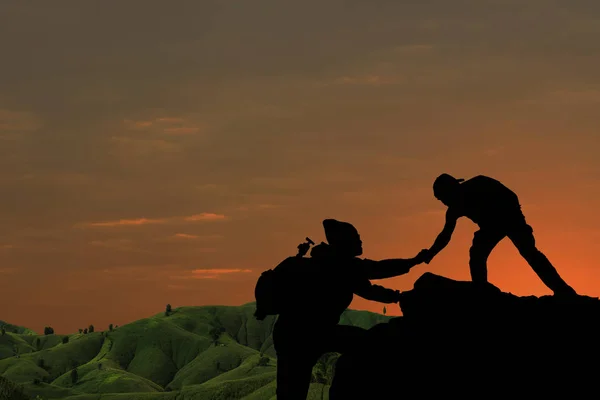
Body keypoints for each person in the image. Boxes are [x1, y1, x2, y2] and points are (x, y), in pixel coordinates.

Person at [273, 219, 428, 399]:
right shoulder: (342, 265)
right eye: (357, 238)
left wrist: (400, 288)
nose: (361, 241)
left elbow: (370, 282)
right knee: (367, 345)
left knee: (290, 392)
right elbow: (376, 273)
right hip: (307, 334)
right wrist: (412, 267)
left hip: (291, 333)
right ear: (345, 242)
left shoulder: (331, 262)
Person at [420, 173, 577, 296]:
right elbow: (445, 235)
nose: (444, 203)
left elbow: (511, 196)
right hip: (491, 226)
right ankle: (481, 291)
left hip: (509, 217)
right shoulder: (454, 209)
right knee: (477, 254)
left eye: (444, 198)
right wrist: (431, 253)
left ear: (452, 190)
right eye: (441, 200)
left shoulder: (479, 183)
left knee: (529, 253)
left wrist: (507, 217)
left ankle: (563, 290)